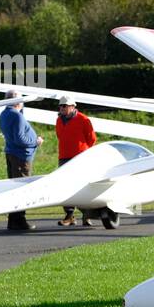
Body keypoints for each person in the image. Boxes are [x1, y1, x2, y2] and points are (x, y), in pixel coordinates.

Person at [0, 91, 42, 231]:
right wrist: (35, 142)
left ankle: (13, 220)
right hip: (21, 157)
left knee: (13, 188)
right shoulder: (17, 116)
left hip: (11, 153)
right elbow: (20, 139)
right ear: (17, 102)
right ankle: (20, 220)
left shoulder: (4, 114)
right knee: (22, 189)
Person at [54, 95, 97, 226]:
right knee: (65, 186)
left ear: (73, 107)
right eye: (60, 106)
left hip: (80, 158)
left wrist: (83, 152)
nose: (62, 108)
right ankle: (69, 215)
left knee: (82, 186)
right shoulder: (59, 120)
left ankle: (87, 215)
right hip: (64, 157)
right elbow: (59, 136)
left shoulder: (84, 119)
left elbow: (92, 139)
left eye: (64, 106)